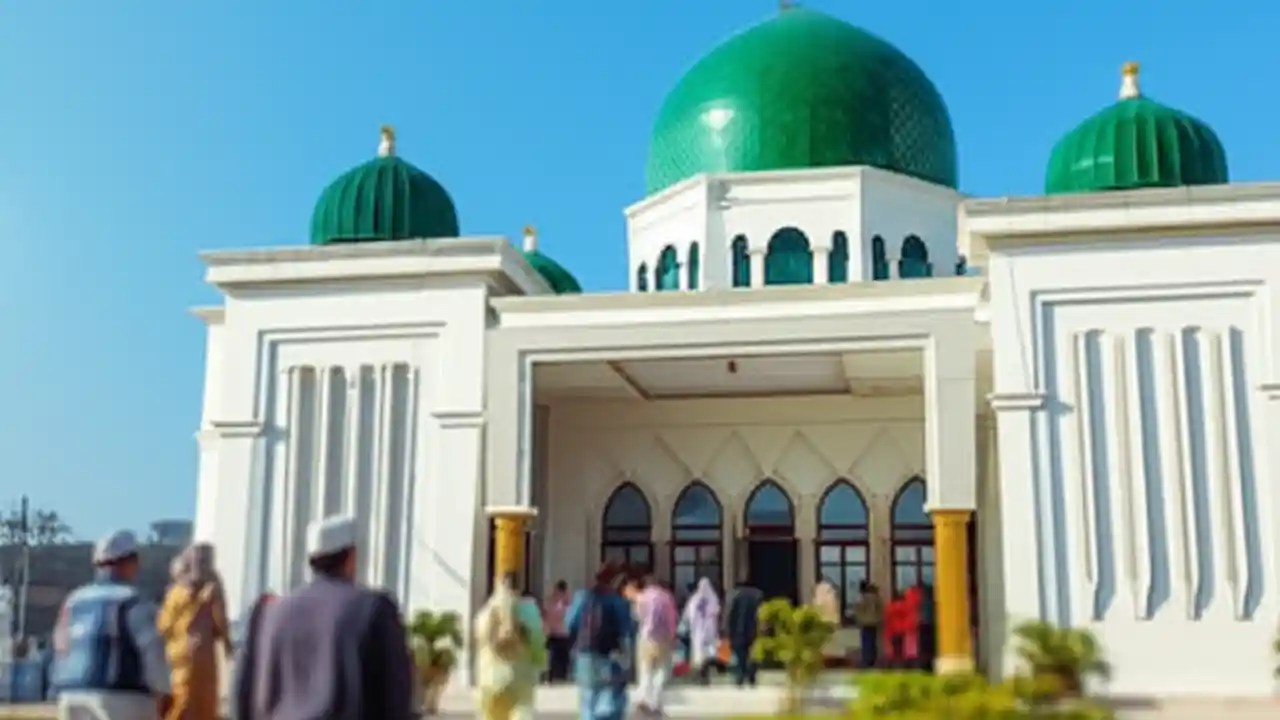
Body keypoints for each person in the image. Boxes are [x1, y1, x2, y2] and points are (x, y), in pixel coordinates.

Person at [235, 514, 414, 719]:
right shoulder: (373, 609)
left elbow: (243, 693)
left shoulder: (269, 613)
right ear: (351, 556)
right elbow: (395, 694)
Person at [51, 530, 174, 720]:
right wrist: (164, 691)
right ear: (129, 562)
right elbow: (153, 648)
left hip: (71, 692)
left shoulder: (73, 601)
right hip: (121, 695)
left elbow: (60, 645)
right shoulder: (133, 601)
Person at [157, 543, 230, 720]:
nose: (203, 567)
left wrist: (217, 600)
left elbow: (221, 630)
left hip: (206, 672)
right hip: (181, 669)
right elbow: (164, 629)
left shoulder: (210, 594)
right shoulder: (176, 595)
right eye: (199, 561)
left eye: (206, 562)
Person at [567, 563, 634, 720]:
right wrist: (627, 661)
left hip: (584, 654)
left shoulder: (582, 597)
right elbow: (626, 632)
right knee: (612, 700)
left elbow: (569, 623)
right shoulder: (618, 602)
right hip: (610, 656)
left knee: (588, 698)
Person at [474, 573, 546, 719]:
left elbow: (479, 639)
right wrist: (539, 666)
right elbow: (538, 645)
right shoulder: (529, 610)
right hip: (520, 676)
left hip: (490, 677)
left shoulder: (486, 611)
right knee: (522, 712)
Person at [633, 576, 678, 716]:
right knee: (661, 670)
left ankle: (643, 698)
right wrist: (672, 636)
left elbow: (637, 616)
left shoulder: (643, 597)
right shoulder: (667, 598)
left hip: (646, 638)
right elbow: (673, 619)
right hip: (664, 639)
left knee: (645, 669)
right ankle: (656, 702)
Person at [722, 574, 762, 688]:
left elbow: (729, 614)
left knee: (740, 655)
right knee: (752, 654)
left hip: (737, 630)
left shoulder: (734, 595)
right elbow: (761, 613)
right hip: (753, 628)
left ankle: (740, 677)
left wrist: (726, 629)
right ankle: (751, 676)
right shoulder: (757, 595)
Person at [681, 578, 720, 686]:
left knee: (698, 652)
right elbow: (716, 612)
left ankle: (699, 674)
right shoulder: (713, 598)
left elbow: (687, 615)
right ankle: (704, 674)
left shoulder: (694, 599)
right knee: (708, 652)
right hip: (709, 630)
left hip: (697, 630)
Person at [543, 580, 573, 683]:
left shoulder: (558, 603)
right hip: (560, 634)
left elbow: (549, 618)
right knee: (558, 657)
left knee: (558, 657)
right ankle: (559, 675)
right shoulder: (564, 603)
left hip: (558, 634)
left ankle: (557, 675)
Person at [852, 581, 883, 669]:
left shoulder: (861, 598)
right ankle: (873, 660)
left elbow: (857, 610)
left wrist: (858, 620)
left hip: (864, 623)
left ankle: (866, 661)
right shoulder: (877, 598)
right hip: (874, 622)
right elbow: (881, 610)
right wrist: (878, 619)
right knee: (873, 641)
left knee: (865, 642)